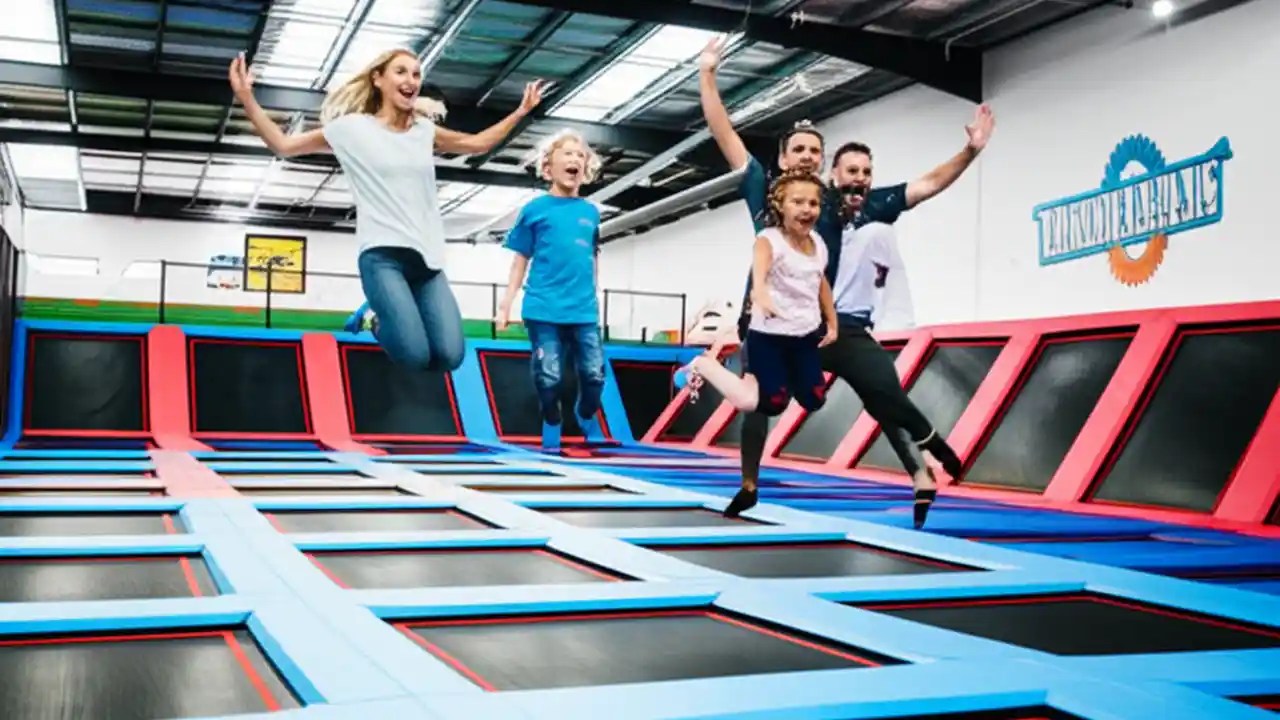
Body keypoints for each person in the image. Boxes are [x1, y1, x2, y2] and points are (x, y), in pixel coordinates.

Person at [697, 35, 995, 527]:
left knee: (879, 391)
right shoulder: (762, 190)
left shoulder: (839, 200)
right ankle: (749, 483)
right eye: (799, 150)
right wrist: (708, 74)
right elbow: (724, 132)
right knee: (759, 405)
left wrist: (969, 151)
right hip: (769, 323)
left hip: (823, 325)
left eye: (816, 151)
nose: (808, 157)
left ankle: (922, 469)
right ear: (783, 155)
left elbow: (924, 186)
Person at [228, 49, 544, 373]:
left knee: (450, 356)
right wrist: (246, 98)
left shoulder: (424, 131)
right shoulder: (351, 129)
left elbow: (477, 144)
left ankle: (388, 317)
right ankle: (373, 321)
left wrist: (521, 111)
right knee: (414, 356)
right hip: (382, 257)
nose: (411, 81)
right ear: (378, 79)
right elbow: (283, 145)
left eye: (417, 75)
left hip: (427, 261)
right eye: (401, 72)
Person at [677, 170, 838, 421]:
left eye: (813, 203)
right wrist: (760, 294)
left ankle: (783, 375)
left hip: (804, 334)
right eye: (797, 202)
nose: (807, 209)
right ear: (780, 206)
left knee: (814, 398)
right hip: (768, 336)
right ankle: (702, 364)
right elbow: (759, 271)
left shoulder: (818, 243)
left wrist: (832, 321)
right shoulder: (768, 240)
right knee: (768, 403)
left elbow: (821, 281)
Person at [494, 129, 606, 451]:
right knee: (549, 376)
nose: (575, 160)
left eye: (580, 156)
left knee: (595, 375)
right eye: (567, 154)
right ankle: (551, 417)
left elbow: (592, 256)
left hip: (583, 309)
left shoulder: (590, 212)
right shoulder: (535, 210)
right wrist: (506, 305)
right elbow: (520, 261)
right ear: (548, 167)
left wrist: (594, 294)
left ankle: (585, 412)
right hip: (543, 307)